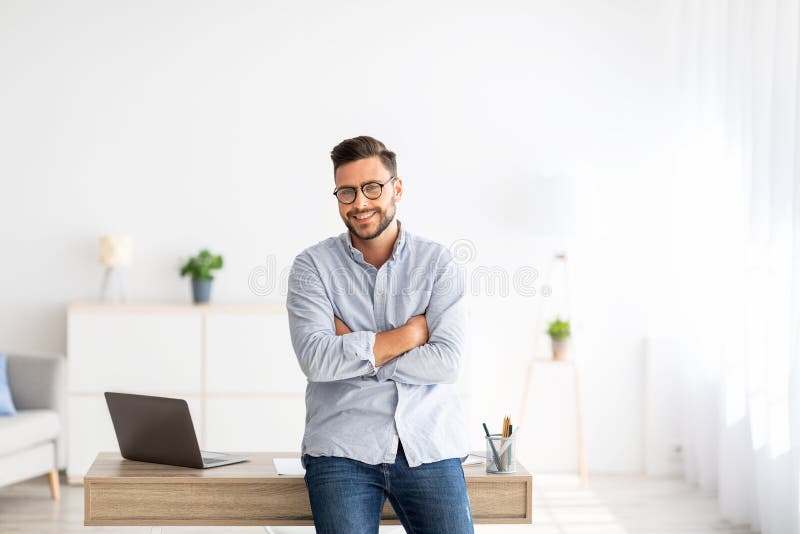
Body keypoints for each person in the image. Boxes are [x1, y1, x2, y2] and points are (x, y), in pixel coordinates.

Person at [286, 135, 474, 533]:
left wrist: (358, 348)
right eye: (347, 192)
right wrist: (409, 335)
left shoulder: (437, 263)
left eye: (372, 187)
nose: (360, 203)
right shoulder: (312, 267)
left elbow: (447, 362)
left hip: (429, 443)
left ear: (397, 189)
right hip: (341, 448)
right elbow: (317, 360)